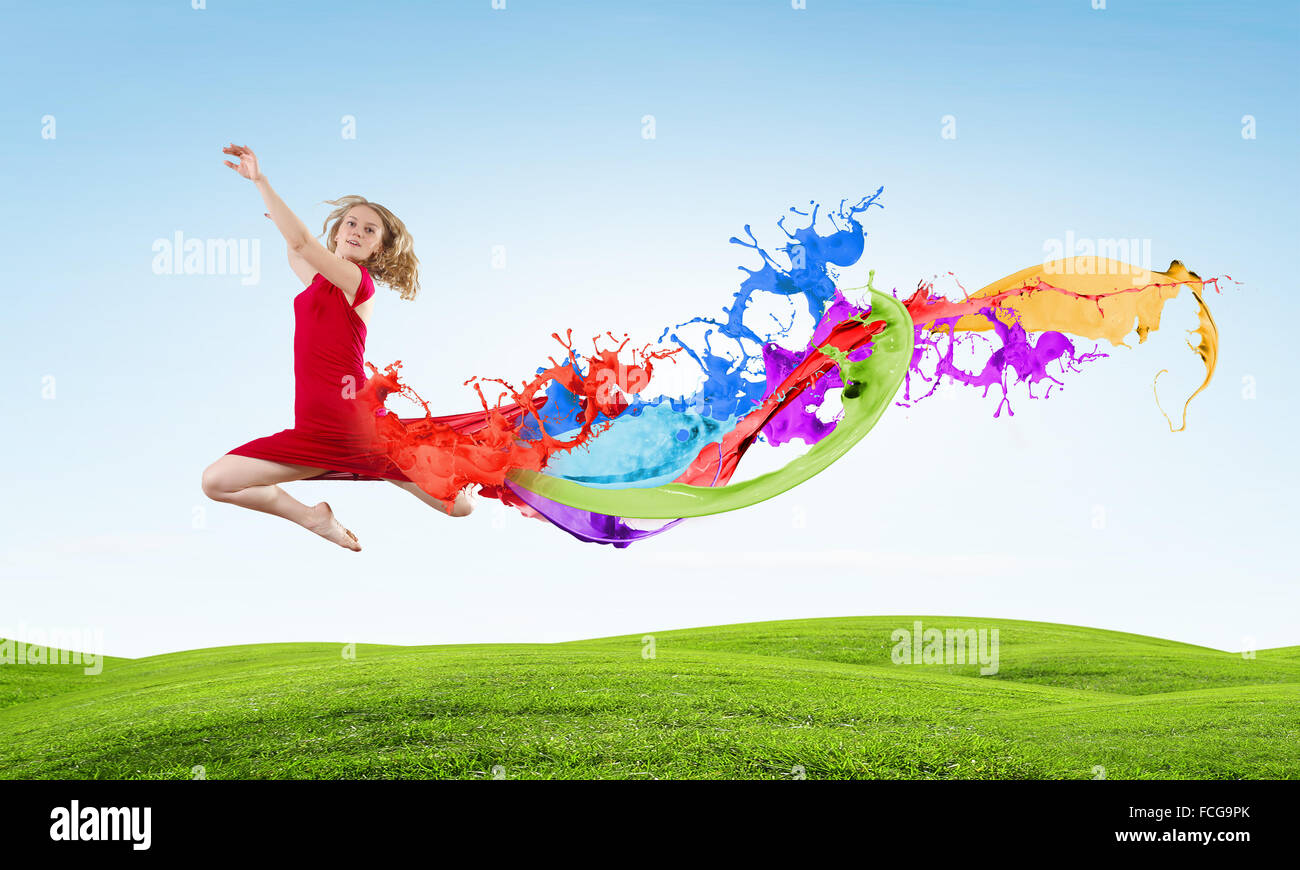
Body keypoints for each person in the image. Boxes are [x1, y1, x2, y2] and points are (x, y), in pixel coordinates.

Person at [200, 143, 474, 552]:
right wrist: (279, 219)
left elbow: (303, 243)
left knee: (460, 507)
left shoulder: (357, 282)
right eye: (351, 223)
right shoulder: (320, 284)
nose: (357, 232)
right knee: (216, 482)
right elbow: (297, 249)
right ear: (339, 230)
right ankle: (313, 518)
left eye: (369, 230)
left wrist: (262, 182)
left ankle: (455, 460)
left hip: (353, 424)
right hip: (314, 429)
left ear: (378, 248)